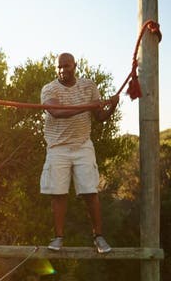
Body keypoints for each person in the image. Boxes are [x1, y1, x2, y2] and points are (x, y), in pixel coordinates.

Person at [40, 52, 118, 254]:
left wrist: (112, 107)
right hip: (58, 147)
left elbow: (99, 116)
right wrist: (88, 106)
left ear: (75, 65)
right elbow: (57, 113)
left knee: (90, 191)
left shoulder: (89, 86)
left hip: (83, 145)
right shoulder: (49, 89)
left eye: (67, 66)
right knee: (58, 194)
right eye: (59, 66)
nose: (63, 70)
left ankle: (99, 237)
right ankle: (58, 238)